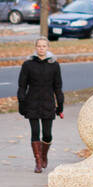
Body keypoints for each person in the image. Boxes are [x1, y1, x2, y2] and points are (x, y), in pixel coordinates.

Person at [18, 37, 63, 173]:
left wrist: (60, 105)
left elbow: (58, 87)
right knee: (35, 132)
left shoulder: (54, 65)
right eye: (39, 46)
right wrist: (21, 102)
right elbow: (22, 86)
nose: (41, 48)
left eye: (44, 46)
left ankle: (44, 154)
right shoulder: (28, 65)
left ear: (47, 48)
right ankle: (38, 162)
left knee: (47, 134)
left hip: (48, 103)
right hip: (32, 102)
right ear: (35, 48)